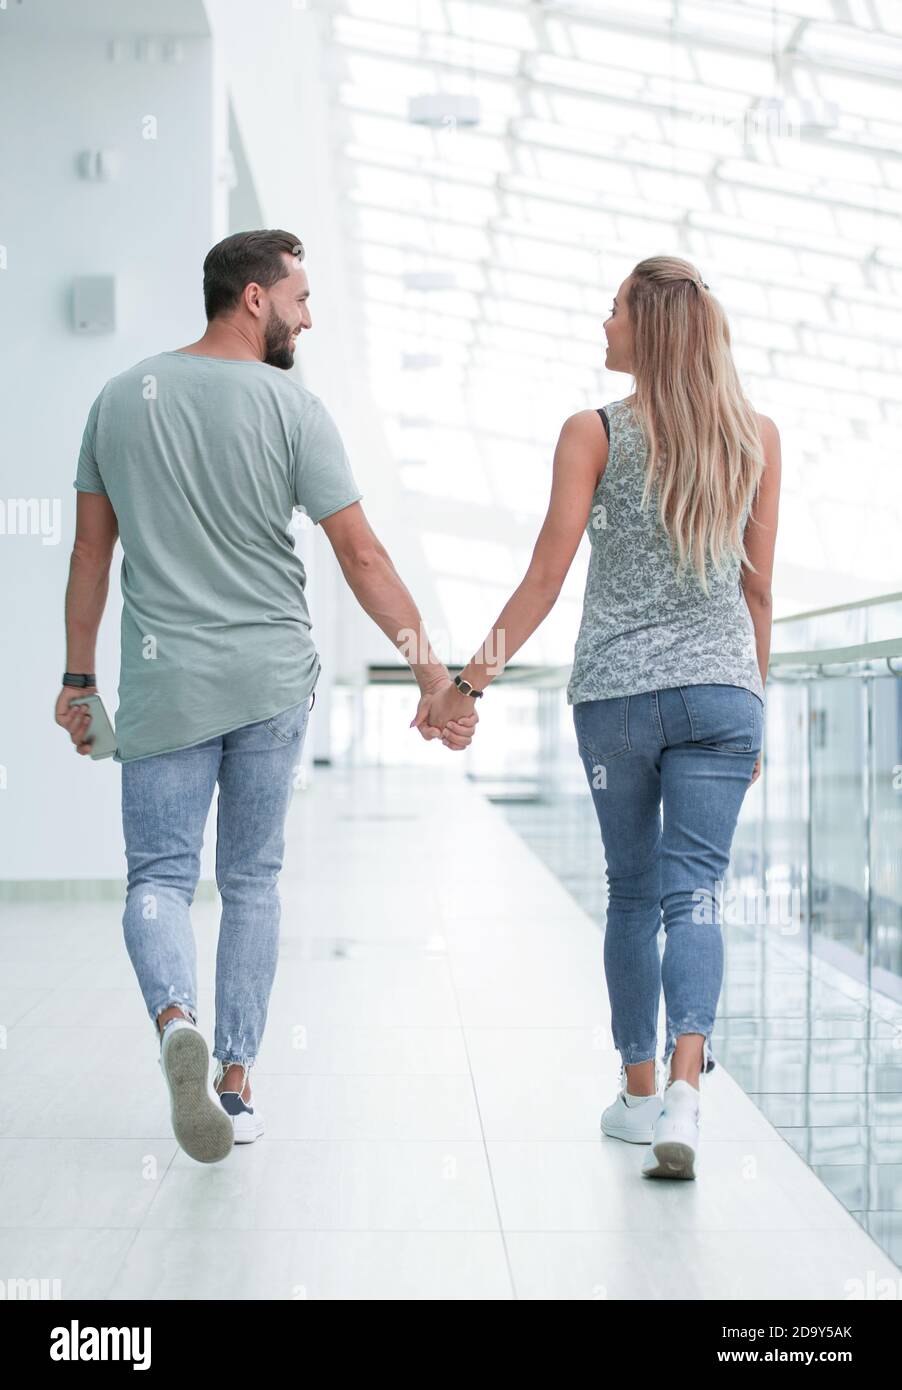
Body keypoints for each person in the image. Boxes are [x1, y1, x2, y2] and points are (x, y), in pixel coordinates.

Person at [56, 229, 477, 1164]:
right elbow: (359, 554)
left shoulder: (121, 398)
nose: (309, 315)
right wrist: (430, 674)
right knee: (251, 882)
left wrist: (79, 678)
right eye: (300, 297)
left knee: (160, 878)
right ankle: (237, 1084)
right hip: (270, 676)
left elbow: (91, 554)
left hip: (166, 682)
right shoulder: (293, 406)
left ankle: (176, 1022)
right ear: (254, 298)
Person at [417, 255, 780, 1181]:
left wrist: (468, 683)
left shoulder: (594, 433)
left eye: (615, 309)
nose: (604, 321)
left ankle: (638, 1092)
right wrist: (755, 706)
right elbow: (758, 590)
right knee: (694, 892)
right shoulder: (757, 438)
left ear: (649, 329)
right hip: (723, 693)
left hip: (619, 699)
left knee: (632, 892)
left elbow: (546, 576)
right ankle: (690, 1098)